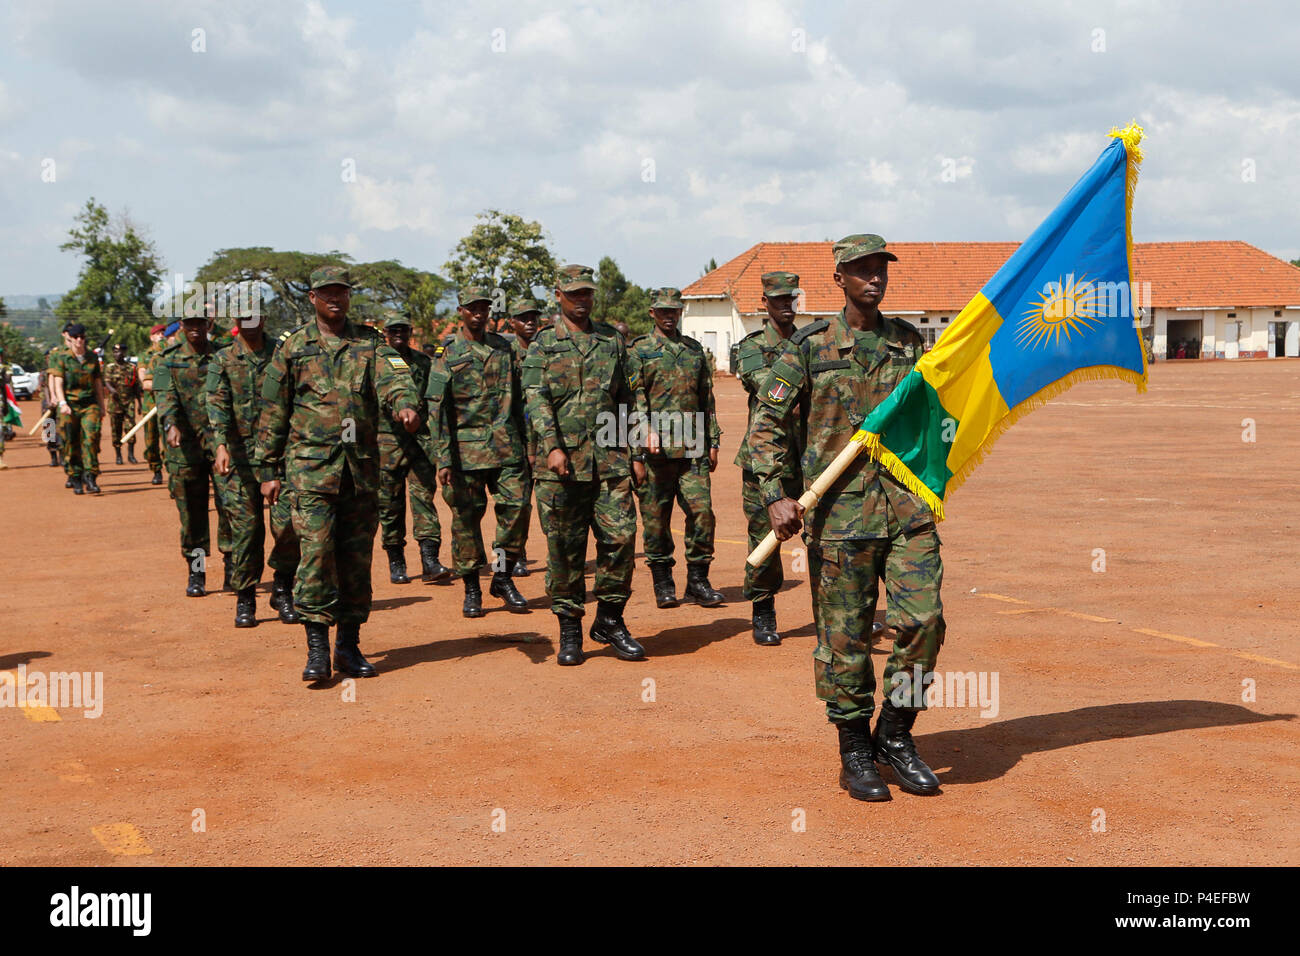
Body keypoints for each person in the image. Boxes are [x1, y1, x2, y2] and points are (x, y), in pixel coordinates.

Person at [748, 234, 945, 802]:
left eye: (880, 268)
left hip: (907, 509)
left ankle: (896, 732)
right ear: (838, 278)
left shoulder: (909, 343)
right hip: (841, 517)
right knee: (845, 640)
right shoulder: (809, 348)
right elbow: (766, 426)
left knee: (923, 621)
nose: (874, 279)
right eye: (861, 270)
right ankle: (855, 748)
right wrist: (774, 494)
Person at [255, 266, 423, 682]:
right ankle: (316, 650)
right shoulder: (293, 347)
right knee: (315, 556)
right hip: (310, 473)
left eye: (342, 293)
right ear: (312, 297)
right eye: (327, 293)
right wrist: (268, 469)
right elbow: (274, 411)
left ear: (349, 297)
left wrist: (405, 405)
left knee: (355, 561)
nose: (335, 299)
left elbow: (396, 380)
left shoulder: (370, 342)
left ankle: (347, 647)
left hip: (360, 474)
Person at [521, 264, 644, 665]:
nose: (582, 301)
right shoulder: (541, 345)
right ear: (558, 295)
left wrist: (638, 453)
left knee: (621, 541)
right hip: (560, 469)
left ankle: (609, 619)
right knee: (565, 550)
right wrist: (552, 447)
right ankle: (570, 630)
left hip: (611, 463)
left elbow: (629, 398)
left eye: (587, 294)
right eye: (574, 294)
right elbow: (536, 400)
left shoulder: (612, 340)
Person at [426, 287, 530, 618]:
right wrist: (442, 456)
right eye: (472, 308)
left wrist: (530, 446)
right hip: (463, 452)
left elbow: (522, 400)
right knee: (466, 523)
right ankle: (472, 588)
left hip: (506, 446)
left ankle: (501, 577)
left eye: (483, 308)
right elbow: (435, 407)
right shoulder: (447, 351)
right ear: (461, 311)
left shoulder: (505, 347)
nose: (478, 313)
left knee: (517, 510)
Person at [627, 287, 723, 609]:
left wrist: (712, 441)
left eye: (674, 311)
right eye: (663, 311)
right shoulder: (638, 351)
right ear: (652, 312)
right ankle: (662, 581)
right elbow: (635, 398)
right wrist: (642, 437)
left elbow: (706, 399)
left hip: (692, 449)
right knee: (656, 519)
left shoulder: (694, 350)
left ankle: (698, 580)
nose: (669, 316)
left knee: (702, 513)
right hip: (655, 454)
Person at [206, 301, 301, 628]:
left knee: (288, 523)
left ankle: (283, 587)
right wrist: (220, 444)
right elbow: (216, 404)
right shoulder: (222, 358)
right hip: (239, 458)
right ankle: (246, 598)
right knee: (246, 532)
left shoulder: (282, 352)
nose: (250, 321)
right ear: (235, 319)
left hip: (281, 454)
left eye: (255, 315)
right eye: (243, 316)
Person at [734, 271, 804, 645]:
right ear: (764, 302)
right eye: (776, 299)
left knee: (829, 539)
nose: (784, 305)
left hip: (810, 458)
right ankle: (763, 610)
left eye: (789, 298)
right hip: (765, 461)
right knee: (764, 537)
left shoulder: (811, 342)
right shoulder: (751, 347)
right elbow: (770, 390)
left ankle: (836, 611)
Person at [154, 307, 231, 595]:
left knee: (229, 507)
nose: (196, 327)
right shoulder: (167, 360)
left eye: (201, 322)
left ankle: (232, 567)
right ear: (182, 325)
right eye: (190, 323)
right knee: (192, 512)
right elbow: (163, 396)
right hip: (183, 448)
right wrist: (170, 423)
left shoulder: (224, 356)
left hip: (221, 443)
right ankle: (196, 573)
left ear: (209, 324)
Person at [376, 310, 451, 585]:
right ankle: (396, 561)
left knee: (424, 499)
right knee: (390, 505)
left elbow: (433, 399)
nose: (399, 335)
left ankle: (430, 560)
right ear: (385, 332)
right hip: (387, 443)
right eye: (393, 330)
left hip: (419, 441)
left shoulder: (422, 361)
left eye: (403, 330)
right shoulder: (378, 361)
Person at [505, 296, 547, 577]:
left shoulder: (548, 349)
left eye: (533, 317)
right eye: (523, 318)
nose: (529, 322)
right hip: (514, 442)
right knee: (516, 507)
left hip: (546, 441)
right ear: (512, 322)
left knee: (550, 505)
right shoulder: (504, 353)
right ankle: (515, 556)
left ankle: (561, 556)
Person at [47, 323, 107, 495]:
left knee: (91, 438)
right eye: (76, 337)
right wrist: (62, 402)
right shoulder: (62, 358)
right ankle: (75, 476)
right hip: (69, 405)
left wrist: (102, 406)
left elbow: (97, 383)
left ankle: (91, 476)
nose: (79, 340)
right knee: (70, 441)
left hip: (89, 405)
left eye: (82, 337)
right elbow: (57, 381)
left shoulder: (92, 358)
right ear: (70, 339)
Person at [137, 323, 168, 484]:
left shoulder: (170, 352)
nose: (161, 335)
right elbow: (143, 376)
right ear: (151, 337)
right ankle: (156, 468)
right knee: (151, 439)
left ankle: (173, 474)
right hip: (150, 403)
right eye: (157, 333)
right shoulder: (145, 355)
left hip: (167, 404)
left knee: (169, 438)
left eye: (163, 332)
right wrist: (158, 385)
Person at [104, 343, 142, 466]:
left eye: (119, 351)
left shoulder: (131, 368)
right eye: (114, 352)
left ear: (124, 353)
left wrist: (140, 403)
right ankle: (118, 455)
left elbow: (136, 386)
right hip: (115, 404)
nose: (117, 354)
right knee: (116, 430)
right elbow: (107, 382)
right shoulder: (110, 367)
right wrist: (111, 390)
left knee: (131, 428)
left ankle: (131, 454)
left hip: (129, 402)